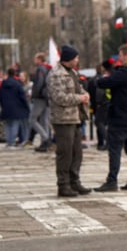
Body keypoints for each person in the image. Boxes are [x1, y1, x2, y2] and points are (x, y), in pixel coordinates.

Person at [94, 45, 127, 192]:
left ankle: (112, 180)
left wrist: (101, 78)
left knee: (115, 149)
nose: (119, 59)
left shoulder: (125, 73)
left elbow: (102, 83)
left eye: (120, 55)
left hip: (120, 116)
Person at [47, 45, 91, 197]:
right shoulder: (56, 74)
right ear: (69, 58)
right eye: (76, 57)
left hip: (75, 117)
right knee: (65, 153)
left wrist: (85, 95)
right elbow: (59, 97)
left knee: (76, 152)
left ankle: (75, 182)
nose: (78, 60)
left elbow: (78, 89)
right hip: (63, 119)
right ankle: (63, 185)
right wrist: (80, 98)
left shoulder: (72, 72)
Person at [0, 67, 29, 148]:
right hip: (16, 107)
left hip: (6, 107)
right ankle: (12, 141)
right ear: (15, 74)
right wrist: (26, 106)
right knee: (15, 124)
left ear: (7, 74)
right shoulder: (17, 84)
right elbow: (22, 96)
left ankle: (8, 142)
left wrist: (2, 104)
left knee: (8, 125)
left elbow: (0, 95)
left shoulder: (3, 83)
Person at [29, 52, 53, 152]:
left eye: (35, 59)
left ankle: (46, 138)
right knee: (44, 121)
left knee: (32, 119)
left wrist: (34, 94)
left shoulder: (40, 69)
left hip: (40, 97)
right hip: (47, 97)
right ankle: (45, 143)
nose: (34, 61)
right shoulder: (48, 68)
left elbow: (39, 82)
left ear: (39, 59)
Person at [89, 59, 113, 151]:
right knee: (107, 123)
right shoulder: (113, 76)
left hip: (103, 103)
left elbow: (99, 91)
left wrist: (98, 103)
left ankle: (108, 140)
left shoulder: (103, 78)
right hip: (111, 102)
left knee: (99, 122)